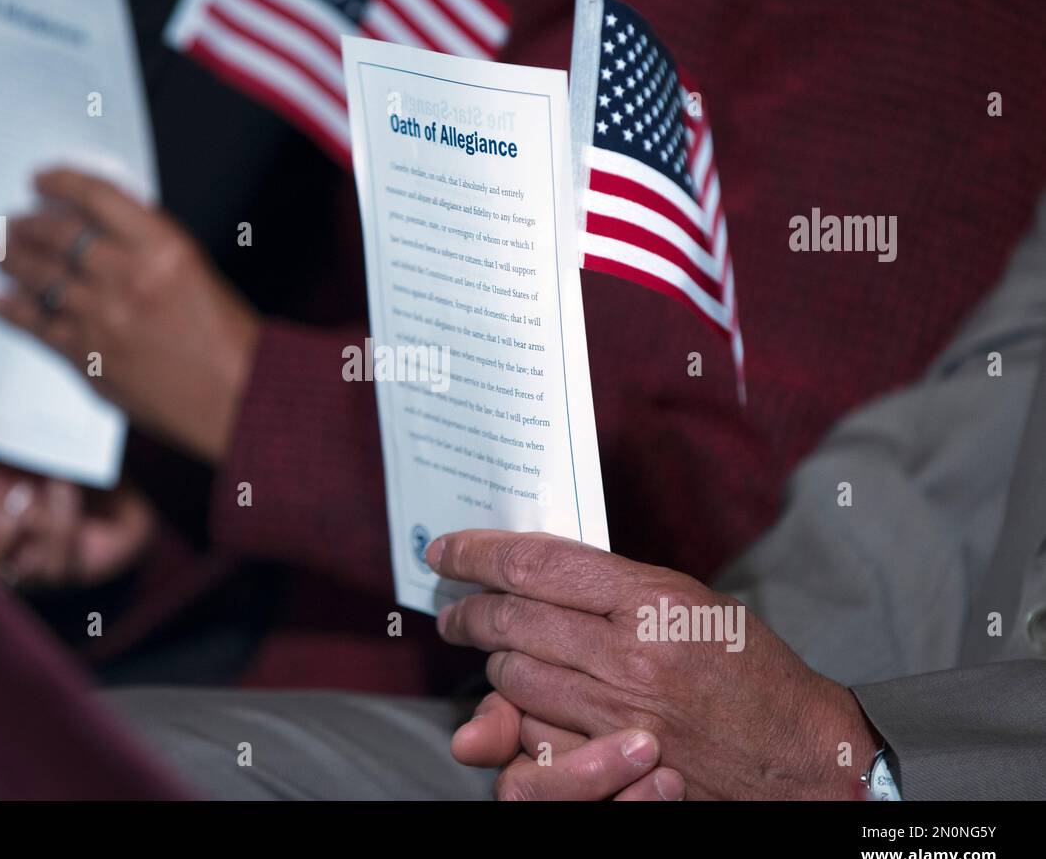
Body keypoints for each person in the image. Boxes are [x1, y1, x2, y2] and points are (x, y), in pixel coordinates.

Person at [97, 192, 1046, 799]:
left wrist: (860, 776)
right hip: (825, 690)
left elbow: (714, 460)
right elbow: (954, 463)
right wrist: (655, 681)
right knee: (102, 760)